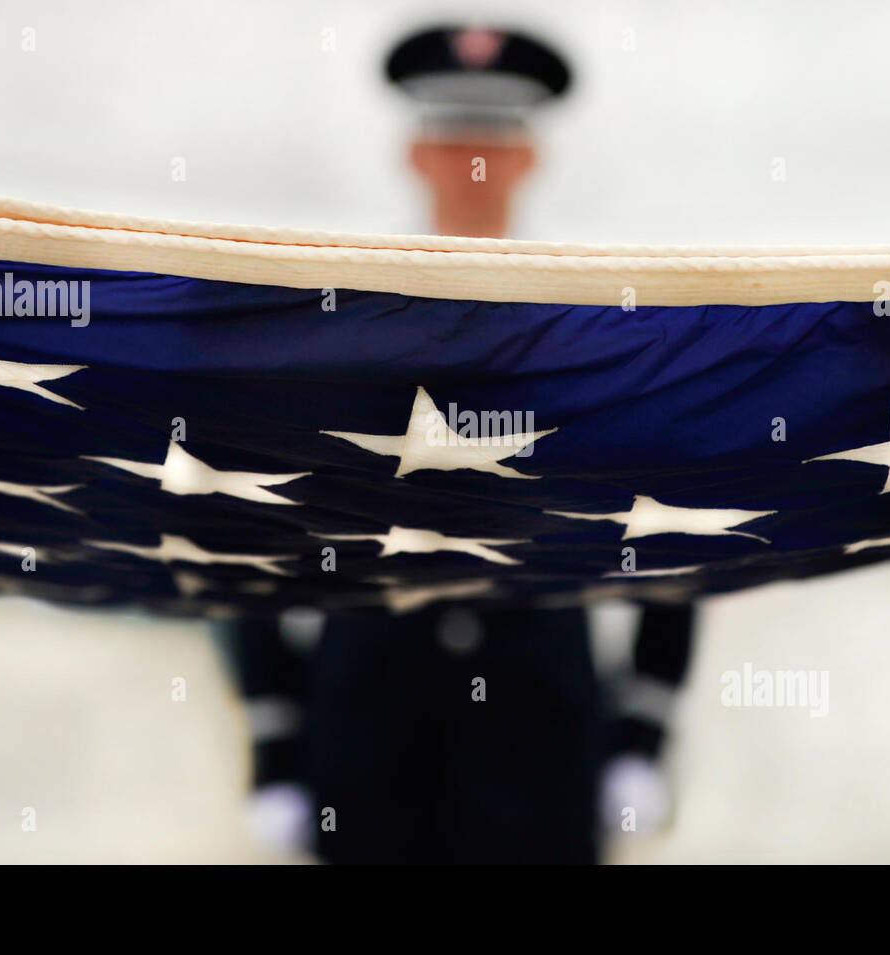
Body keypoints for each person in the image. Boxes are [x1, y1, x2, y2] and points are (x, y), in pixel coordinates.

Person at [227, 24, 696, 864]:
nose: (470, 162)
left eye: (493, 139)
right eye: (452, 138)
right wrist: (273, 734)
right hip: (365, 730)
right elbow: (251, 523)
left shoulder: (593, 334)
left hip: (544, 738)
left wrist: (645, 727)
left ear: (529, 158)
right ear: (414, 152)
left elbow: (666, 519)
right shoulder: (342, 328)